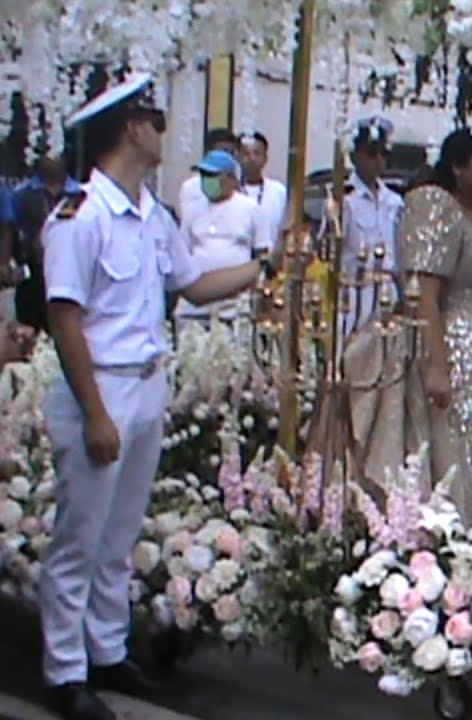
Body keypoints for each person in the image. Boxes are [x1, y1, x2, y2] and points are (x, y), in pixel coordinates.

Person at [40, 74, 278, 720]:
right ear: (129, 129)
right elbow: (65, 318)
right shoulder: (80, 217)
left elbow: (194, 285)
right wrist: (93, 411)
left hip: (144, 384)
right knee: (79, 539)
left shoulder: (151, 215)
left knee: (117, 537)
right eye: (155, 119)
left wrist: (262, 269)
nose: (163, 131)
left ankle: (107, 651)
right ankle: (65, 671)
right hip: (102, 387)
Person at [350, 129, 472, 528]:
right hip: (458, 349)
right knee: (459, 455)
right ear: (457, 164)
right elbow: (423, 292)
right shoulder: (434, 205)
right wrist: (437, 365)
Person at [173, 149, 274, 326]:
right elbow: (183, 253)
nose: (206, 180)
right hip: (195, 308)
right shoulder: (193, 210)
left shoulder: (250, 209)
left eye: (212, 175)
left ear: (230, 179)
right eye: (203, 175)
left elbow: (262, 255)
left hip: (234, 308)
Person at [2, 156, 84, 330]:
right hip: (33, 278)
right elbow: (11, 230)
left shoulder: (81, 194)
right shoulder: (21, 194)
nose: (52, 159)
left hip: (71, 275)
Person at [341, 116, 404, 335]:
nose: (378, 160)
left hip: (389, 291)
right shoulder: (345, 199)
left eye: (383, 154)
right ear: (354, 156)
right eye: (371, 152)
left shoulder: (394, 201)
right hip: (356, 290)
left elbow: (400, 253)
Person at [236, 131, 288, 247]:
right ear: (237, 157)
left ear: (265, 158)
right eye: (246, 154)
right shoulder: (232, 192)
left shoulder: (279, 191)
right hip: (241, 259)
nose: (252, 158)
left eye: (257, 153)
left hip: (272, 258)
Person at [178, 128, 239, 220]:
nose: (228, 157)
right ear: (209, 151)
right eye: (224, 151)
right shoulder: (191, 186)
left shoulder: (237, 183)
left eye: (231, 153)